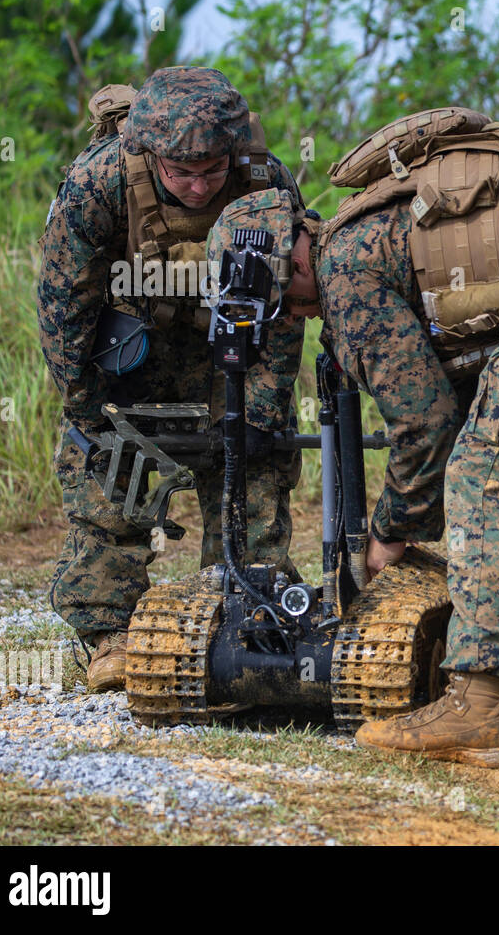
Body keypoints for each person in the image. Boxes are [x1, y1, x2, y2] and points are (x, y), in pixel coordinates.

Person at [205, 133, 499, 767]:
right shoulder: (366, 233)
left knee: (485, 476)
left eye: (282, 301)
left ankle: (477, 706)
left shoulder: (345, 273)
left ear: (291, 259)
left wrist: (391, 532)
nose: (290, 315)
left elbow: (427, 426)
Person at [37, 66, 306, 692]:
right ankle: (110, 635)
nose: (197, 184)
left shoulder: (265, 183)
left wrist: (262, 410)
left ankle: (246, 611)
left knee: (254, 463)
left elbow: (288, 308)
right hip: (131, 343)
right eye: (180, 172)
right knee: (108, 470)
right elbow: (63, 304)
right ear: (147, 153)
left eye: (212, 170)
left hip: (231, 341)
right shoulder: (100, 181)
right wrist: (85, 404)